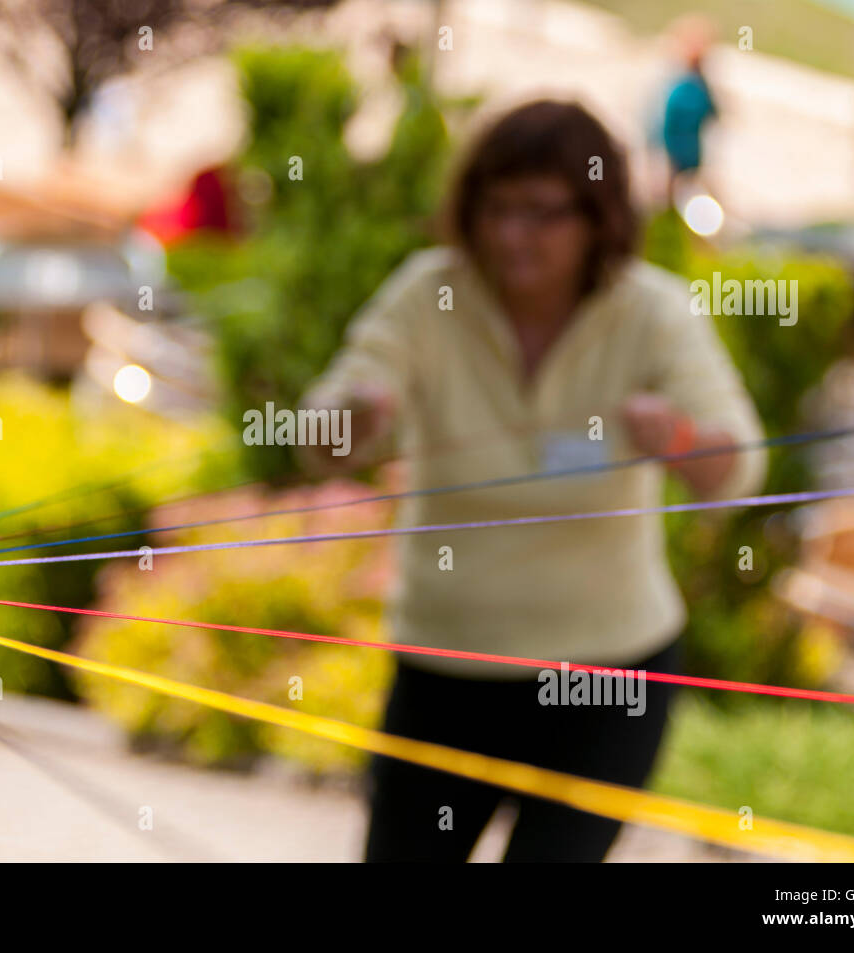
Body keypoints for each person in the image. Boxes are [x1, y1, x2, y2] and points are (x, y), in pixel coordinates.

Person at [298, 100, 765, 862]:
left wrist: (677, 438)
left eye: (544, 214)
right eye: (499, 209)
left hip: (607, 677)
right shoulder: (430, 293)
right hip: (446, 668)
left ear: (598, 218)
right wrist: (351, 417)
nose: (516, 236)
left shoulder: (651, 312)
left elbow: (737, 466)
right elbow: (321, 436)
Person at [660, 17, 718, 208]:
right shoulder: (684, 86)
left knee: (686, 199)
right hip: (678, 153)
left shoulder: (695, 87)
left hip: (687, 154)